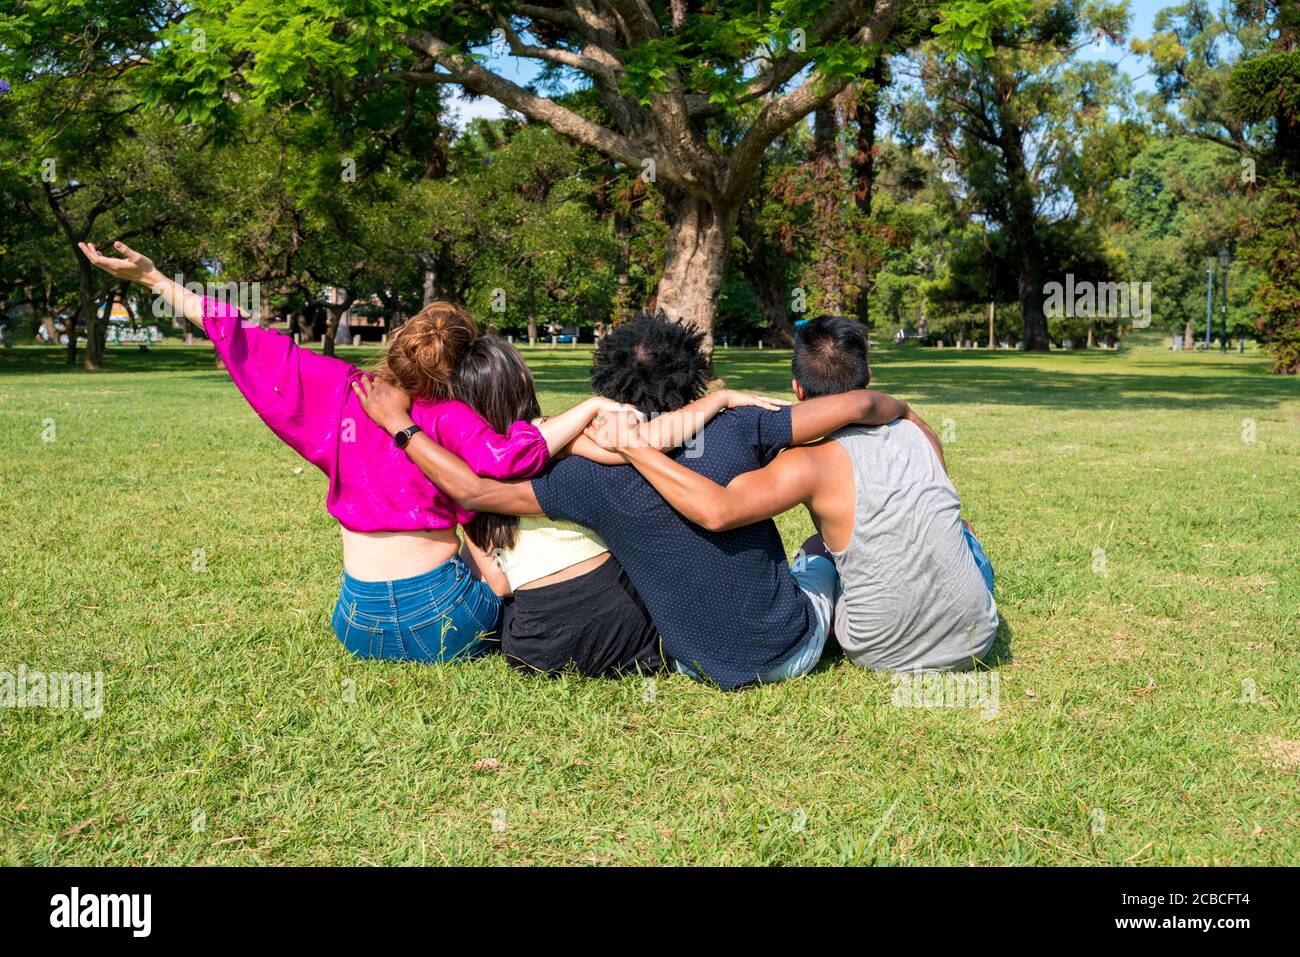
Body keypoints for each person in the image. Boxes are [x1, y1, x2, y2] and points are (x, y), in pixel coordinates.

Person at [79, 241, 627, 664]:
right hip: (442, 623)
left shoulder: (338, 389)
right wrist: (583, 412)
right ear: (456, 368)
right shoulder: (447, 417)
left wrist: (152, 277)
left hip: (355, 625)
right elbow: (512, 457)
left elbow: (235, 331)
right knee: (492, 578)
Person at [353, 311, 918, 690]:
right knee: (819, 549)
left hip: (689, 664)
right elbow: (843, 409)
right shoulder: (741, 425)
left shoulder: (574, 473)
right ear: (696, 370)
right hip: (778, 647)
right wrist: (889, 407)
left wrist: (404, 429)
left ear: (607, 379)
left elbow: (476, 492)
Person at [587, 315, 999, 673]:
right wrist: (902, 408)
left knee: (816, 549)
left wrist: (633, 447)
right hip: (976, 639)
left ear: (797, 389)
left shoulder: (805, 462)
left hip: (879, 649)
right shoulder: (919, 431)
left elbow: (717, 511)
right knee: (959, 529)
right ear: (867, 379)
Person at [447, 336, 788, 677]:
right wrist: (720, 399)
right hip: (626, 632)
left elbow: (501, 586)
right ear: (522, 379)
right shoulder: (553, 436)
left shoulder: (463, 477)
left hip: (537, 650)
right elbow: (646, 443)